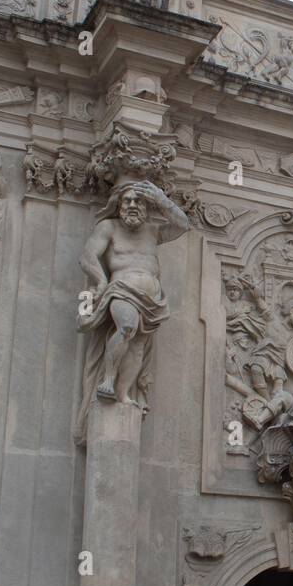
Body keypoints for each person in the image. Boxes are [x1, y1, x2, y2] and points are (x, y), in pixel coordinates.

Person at [74, 179, 189, 441]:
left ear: (147, 206)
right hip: (121, 288)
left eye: (138, 201)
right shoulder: (109, 227)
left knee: (137, 347)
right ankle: (108, 378)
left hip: (152, 300)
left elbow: (183, 225)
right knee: (126, 326)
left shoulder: (153, 231)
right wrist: (101, 280)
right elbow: (87, 256)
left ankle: (123, 393)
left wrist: (162, 199)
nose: (132, 205)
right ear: (118, 204)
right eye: (127, 200)